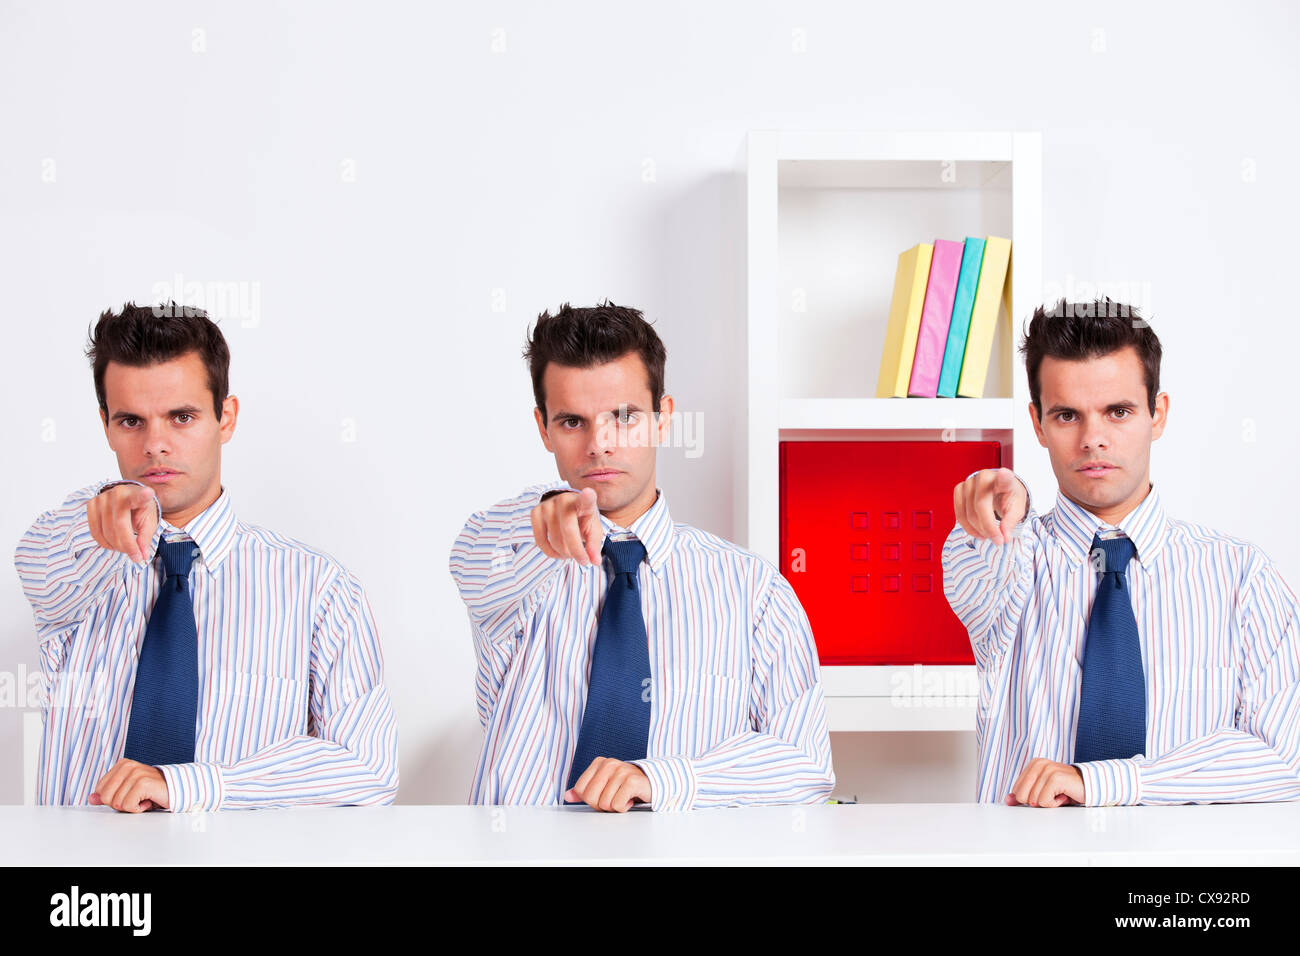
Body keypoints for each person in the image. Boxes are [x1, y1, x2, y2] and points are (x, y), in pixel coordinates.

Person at [448, 302, 834, 812]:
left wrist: (663, 781)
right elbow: (474, 555)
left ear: (663, 418)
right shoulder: (516, 564)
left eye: (624, 417)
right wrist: (541, 514)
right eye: (572, 422)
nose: (599, 445)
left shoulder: (752, 590)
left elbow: (806, 767)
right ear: (543, 429)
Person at [14, 302, 398, 812]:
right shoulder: (76, 565)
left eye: (182, 417)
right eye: (131, 420)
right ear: (106, 425)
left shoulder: (318, 589)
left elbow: (368, 769)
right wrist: (99, 512)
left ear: (226, 417)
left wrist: (189, 786)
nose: (156, 445)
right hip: (89, 888)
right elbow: (38, 557)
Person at [943, 298, 1300, 807]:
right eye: (1067, 415)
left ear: (1158, 415)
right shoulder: (1015, 561)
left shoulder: (1241, 575)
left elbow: (1286, 756)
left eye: (1119, 412)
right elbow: (976, 563)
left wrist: (1106, 782)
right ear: (1038, 424)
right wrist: (1000, 500)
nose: (1093, 440)